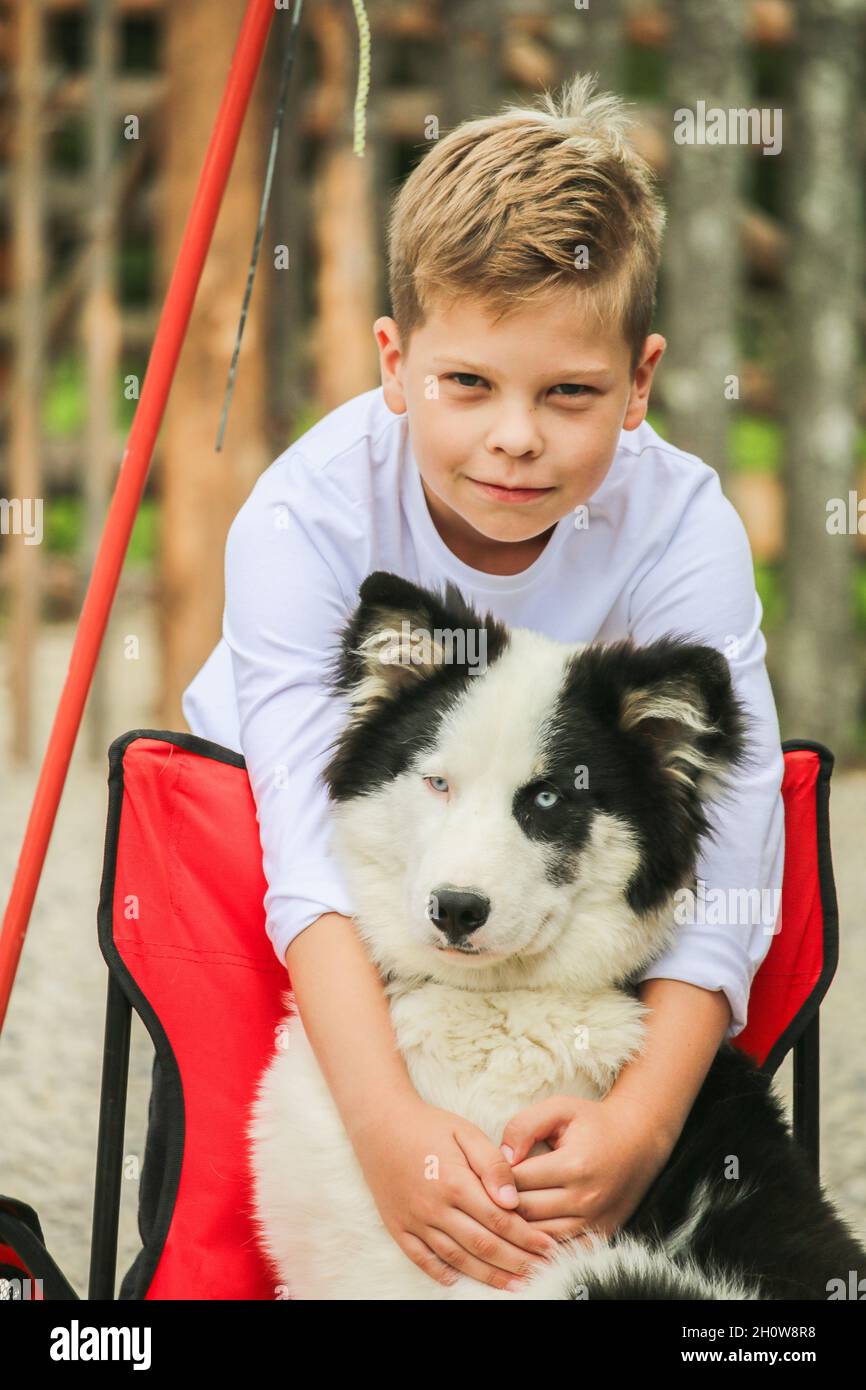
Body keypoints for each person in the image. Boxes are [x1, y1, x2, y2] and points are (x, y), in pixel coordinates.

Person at [182, 73, 785, 1294]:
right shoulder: (306, 513)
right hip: (299, 867)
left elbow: (737, 835)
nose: (515, 437)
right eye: (469, 385)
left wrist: (646, 1123)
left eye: (568, 393)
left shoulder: (680, 523)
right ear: (395, 364)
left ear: (640, 382)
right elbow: (301, 856)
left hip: (563, 901)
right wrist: (386, 1126)